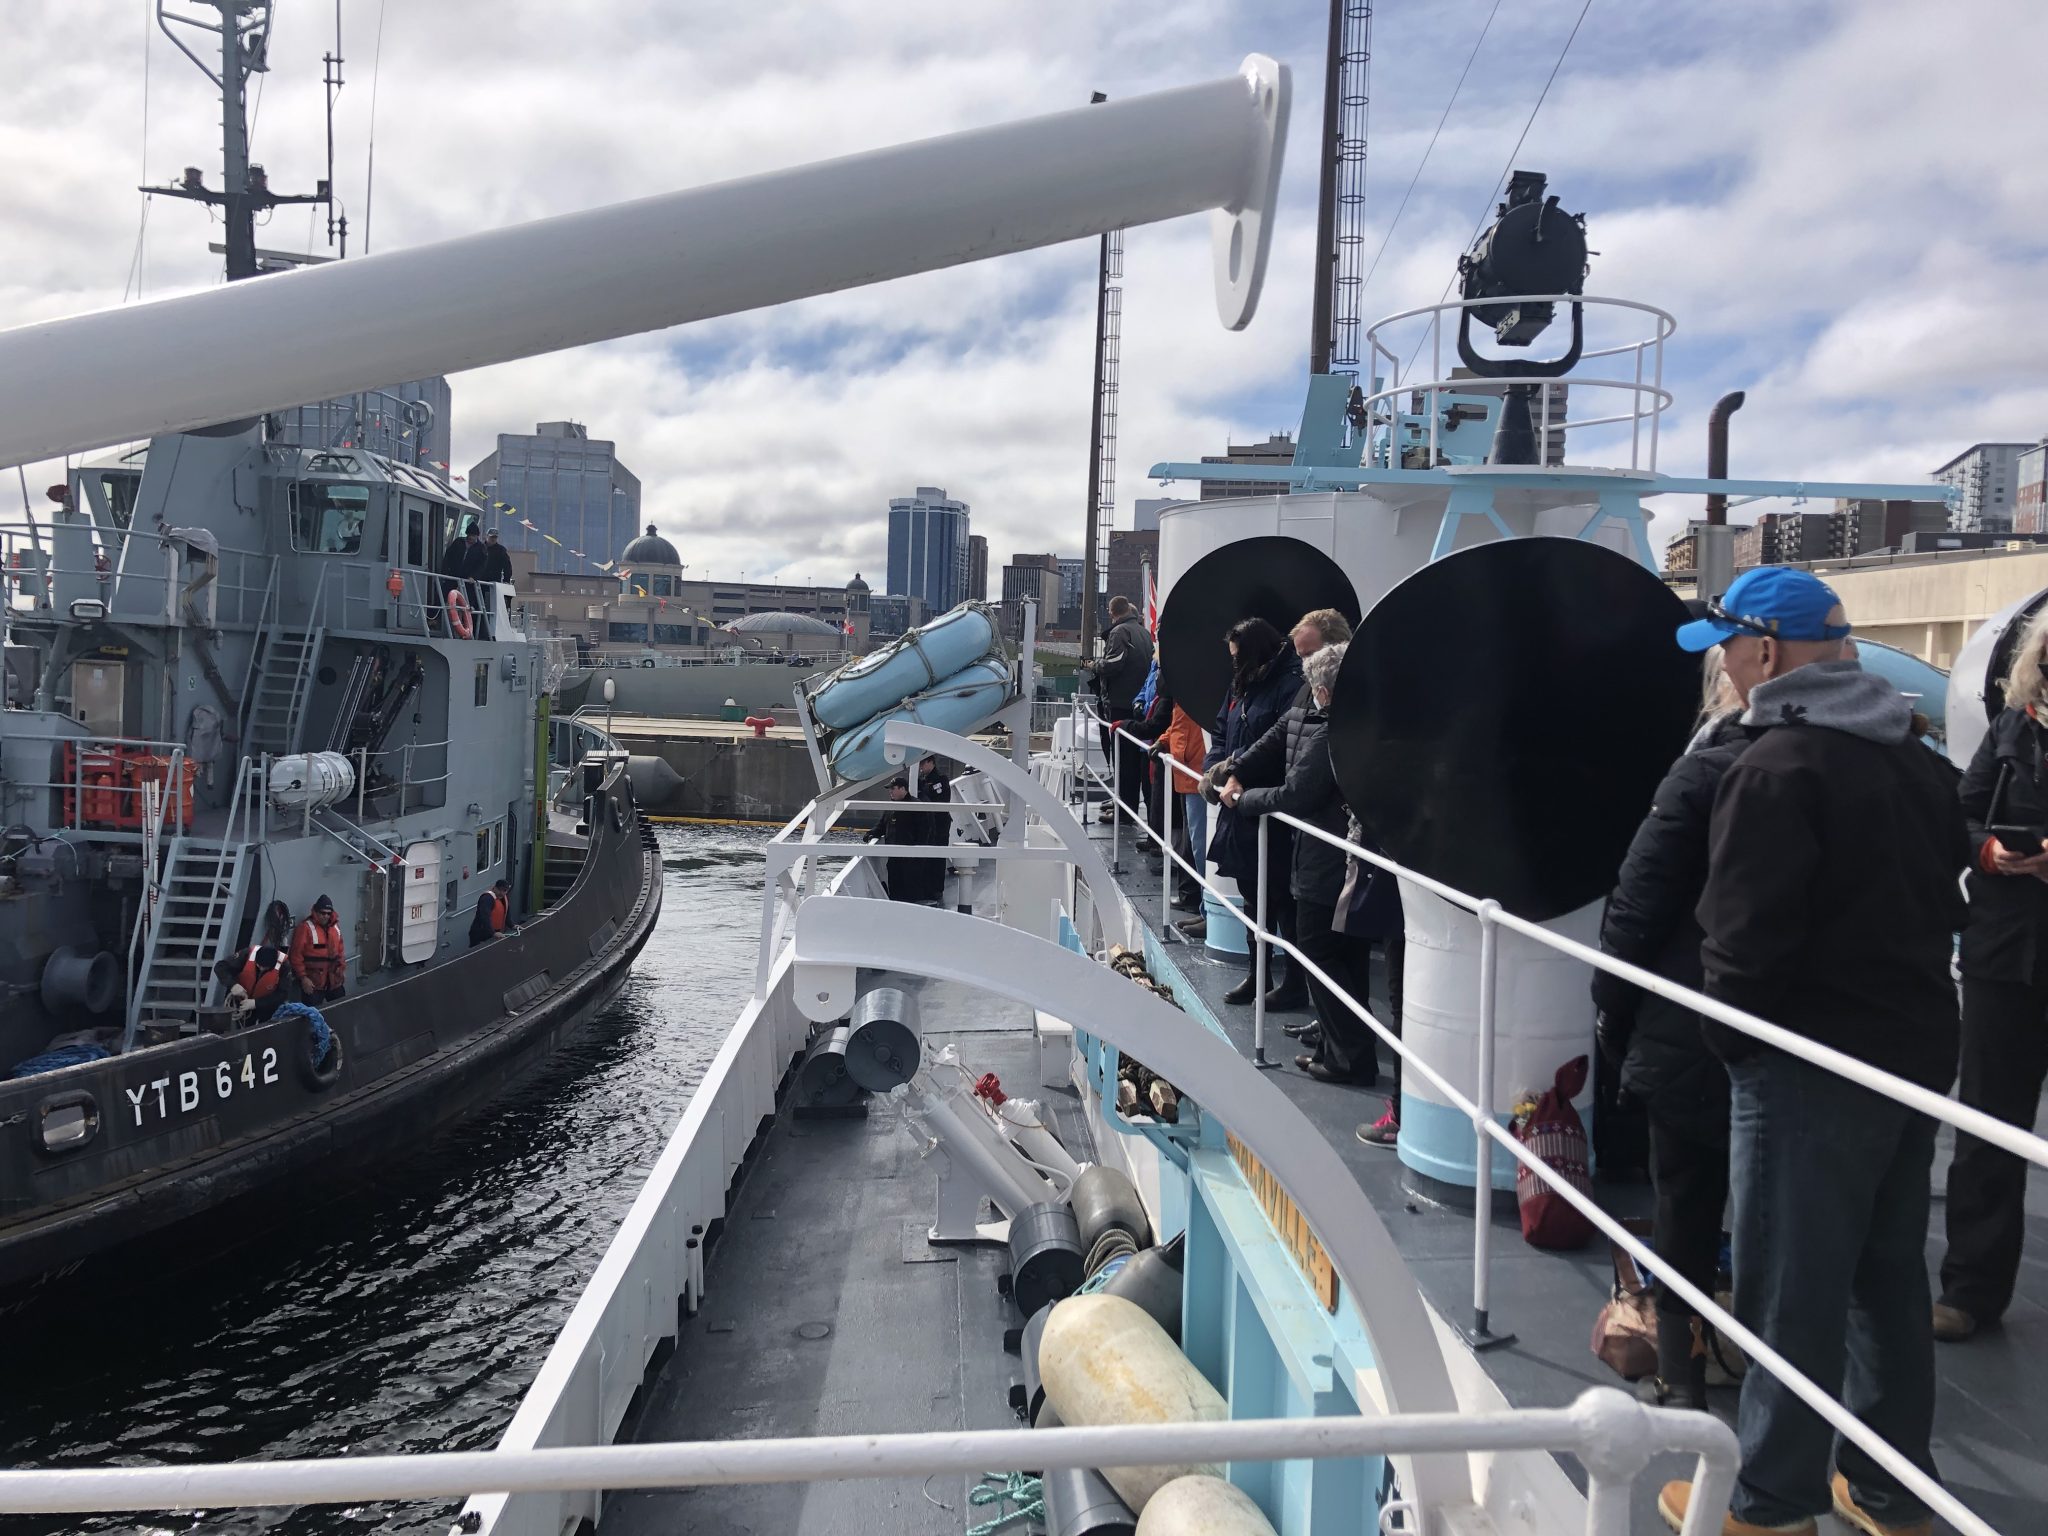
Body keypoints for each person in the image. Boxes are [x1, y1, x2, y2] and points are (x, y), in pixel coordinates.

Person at [1656, 567, 1968, 1536]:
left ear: (1763, 651)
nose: (1721, 668)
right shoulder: (1915, 758)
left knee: (1788, 1287)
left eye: (1725, 649)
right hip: (1912, 1057)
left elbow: (1742, 943)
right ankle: (1889, 1489)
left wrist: (1730, 1044)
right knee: (1885, 1277)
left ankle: (1771, 1502)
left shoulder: (1771, 767)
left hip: (1803, 1067)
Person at [1591, 650, 1748, 1409]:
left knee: (1686, 1199)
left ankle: (1683, 1378)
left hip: (1691, 1023)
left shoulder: (1703, 771)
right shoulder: (1892, 764)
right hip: (1816, 1041)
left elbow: (1637, 905)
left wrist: (1611, 1011)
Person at [1936, 604, 2048, 1344]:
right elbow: (1958, 818)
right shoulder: (2014, 729)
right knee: (1987, 1126)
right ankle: (1970, 1290)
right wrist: (1990, 853)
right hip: (2007, 955)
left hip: (2011, 948)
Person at [1226, 644, 1376, 1082]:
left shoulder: (1329, 736)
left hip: (1324, 861)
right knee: (1349, 957)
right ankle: (1339, 1048)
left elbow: (1297, 792)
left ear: (1323, 691)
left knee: (1318, 949)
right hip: (1352, 861)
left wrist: (1244, 799)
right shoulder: (1363, 728)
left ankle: (1348, 1057)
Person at [1201, 617, 1304, 1009]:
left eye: (1237, 657)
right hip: (1239, 806)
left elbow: (1278, 742)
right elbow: (1222, 731)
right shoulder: (1241, 684)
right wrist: (1215, 769)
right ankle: (1258, 974)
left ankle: (1294, 982)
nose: (1233, 664)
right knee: (1251, 894)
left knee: (1282, 898)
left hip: (1269, 808)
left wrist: (1234, 770)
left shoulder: (1289, 685)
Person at [1085, 596, 1154, 828]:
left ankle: (1124, 811)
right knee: (1133, 760)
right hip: (1137, 705)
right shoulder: (1143, 633)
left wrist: (1093, 665)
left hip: (1120, 704)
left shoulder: (1119, 632)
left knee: (1123, 761)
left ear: (1112, 612)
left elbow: (1113, 664)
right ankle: (1125, 805)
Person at [872, 756, 952, 904]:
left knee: (936, 860)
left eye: (922, 763)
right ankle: (924, 891)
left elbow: (940, 802)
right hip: (919, 831)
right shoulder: (919, 782)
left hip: (939, 826)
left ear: (931, 762)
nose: (920, 766)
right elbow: (883, 823)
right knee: (919, 865)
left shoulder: (939, 780)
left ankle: (935, 890)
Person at [290, 893, 349, 1005]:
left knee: (341, 1007)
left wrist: (342, 969)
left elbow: (340, 951)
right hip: (313, 983)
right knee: (312, 1012)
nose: (326, 916)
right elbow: (296, 955)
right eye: (323, 913)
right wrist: (303, 978)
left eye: (328, 913)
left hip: (334, 980)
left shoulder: (335, 928)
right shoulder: (305, 928)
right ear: (316, 912)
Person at [213, 942, 289, 1026]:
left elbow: (282, 994)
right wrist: (233, 985)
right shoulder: (246, 954)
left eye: (265, 968)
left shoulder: (284, 965)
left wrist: (256, 1003)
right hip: (241, 1003)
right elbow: (220, 967)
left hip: (267, 1006)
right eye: (259, 966)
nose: (261, 969)